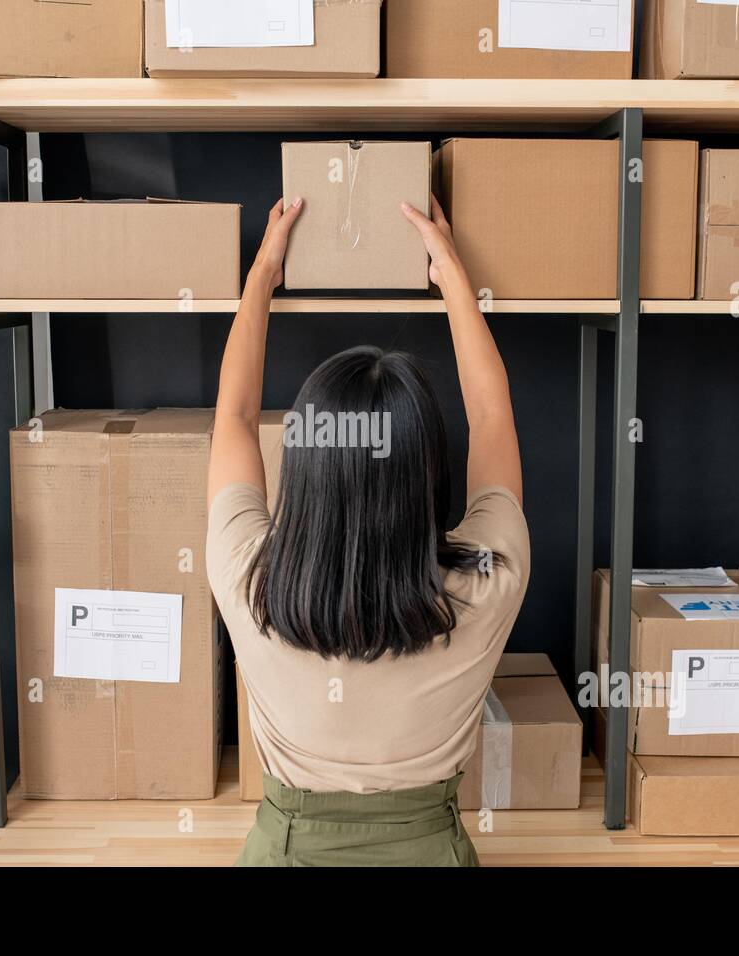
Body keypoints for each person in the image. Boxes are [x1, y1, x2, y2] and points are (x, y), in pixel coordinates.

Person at [206, 195, 529, 867]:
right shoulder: (487, 582)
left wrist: (262, 275)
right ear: (430, 471)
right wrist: (451, 273)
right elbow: (492, 417)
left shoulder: (247, 577)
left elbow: (234, 416)